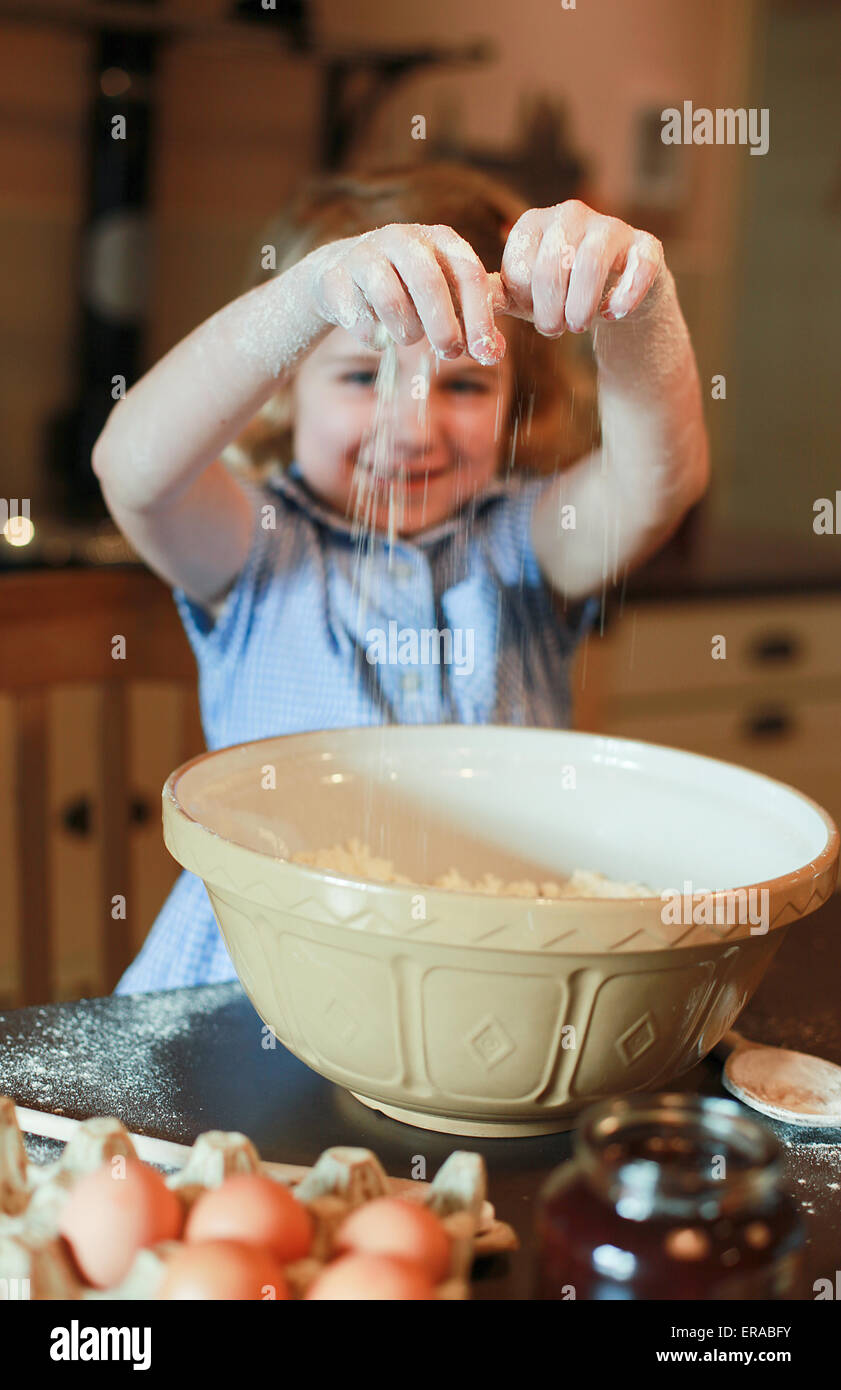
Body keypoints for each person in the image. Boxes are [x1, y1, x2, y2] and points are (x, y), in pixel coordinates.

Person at [94, 162, 708, 993]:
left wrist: (637, 306)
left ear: (515, 401)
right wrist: (308, 294)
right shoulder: (256, 545)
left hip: (487, 984)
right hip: (257, 984)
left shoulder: (522, 545)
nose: (410, 422)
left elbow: (655, 484)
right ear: (283, 395)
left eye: (464, 383)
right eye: (359, 374)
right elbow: (131, 467)